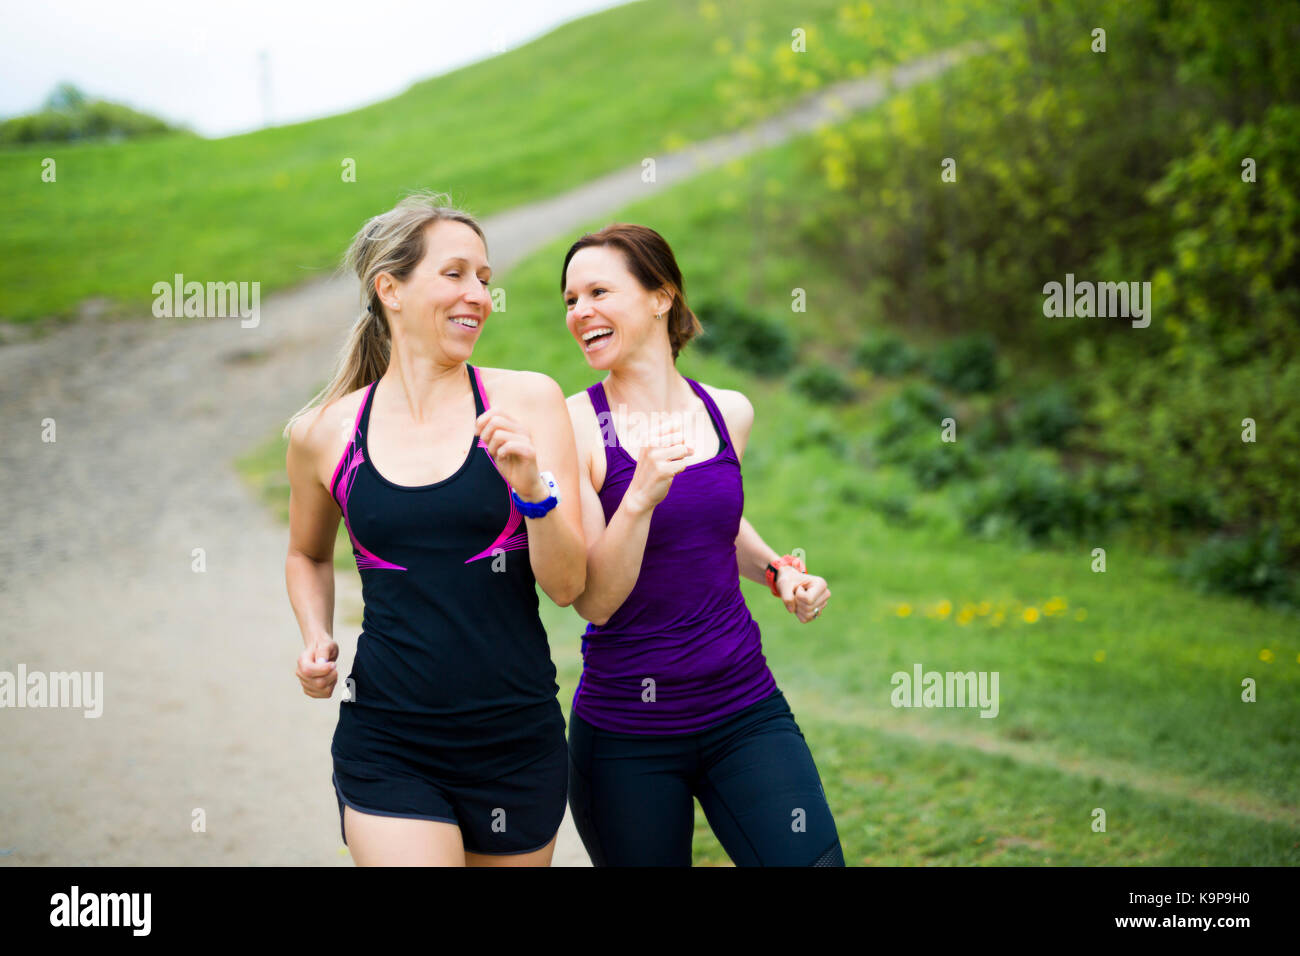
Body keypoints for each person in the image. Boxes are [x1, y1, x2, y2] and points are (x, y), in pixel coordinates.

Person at [283, 192, 585, 866]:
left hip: (516, 738)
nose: (478, 294)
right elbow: (306, 554)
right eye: (455, 274)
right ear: (390, 288)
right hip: (390, 739)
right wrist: (315, 637)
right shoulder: (323, 433)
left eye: (484, 278)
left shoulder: (528, 400)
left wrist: (535, 490)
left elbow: (567, 585)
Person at [559, 223, 845, 866]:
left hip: (743, 706)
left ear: (661, 296)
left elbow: (712, 525)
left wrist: (778, 574)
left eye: (598, 291)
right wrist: (639, 497)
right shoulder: (576, 425)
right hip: (627, 730)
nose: (580, 313)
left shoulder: (727, 411)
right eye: (571, 300)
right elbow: (595, 600)